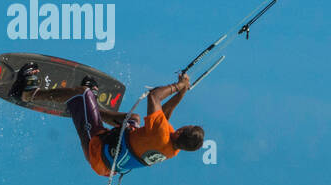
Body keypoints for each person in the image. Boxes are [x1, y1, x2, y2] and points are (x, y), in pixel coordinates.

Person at [19, 64, 205, 176]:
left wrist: (178, 85)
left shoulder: (162, 134)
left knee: (81, 93)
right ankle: (88, 106)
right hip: (110, 165)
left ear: (181, 131)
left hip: (98, 151)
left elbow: (154, 97)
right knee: (133, 119)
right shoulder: (173, 149)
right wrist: (182, 93)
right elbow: (165, 113)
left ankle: (30, 94)